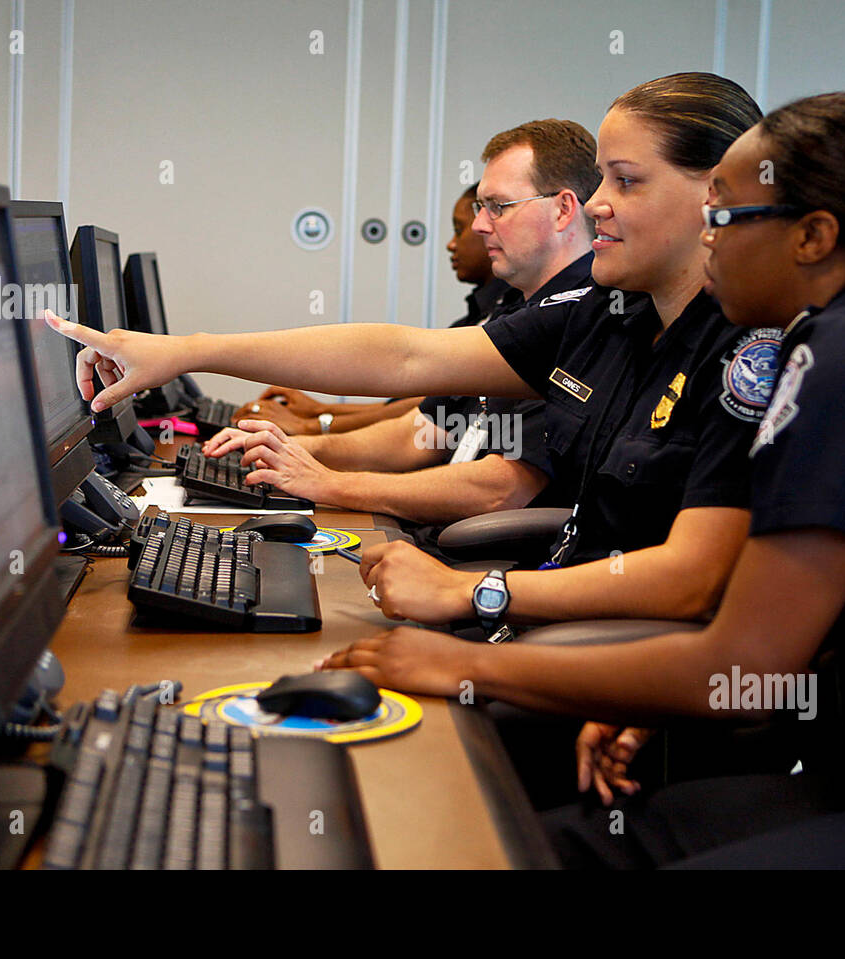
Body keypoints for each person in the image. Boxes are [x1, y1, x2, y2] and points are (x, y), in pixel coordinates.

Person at [320, 67, 845, 868]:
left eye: (727, 215)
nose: (709, 237)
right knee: (565, 843)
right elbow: (805, 629)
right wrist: (638, 694)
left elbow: (743, 661)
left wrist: (466, 662)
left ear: (813, 236)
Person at [48, 73, 774, 626]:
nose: (595, 205)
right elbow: (406, 360)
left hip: (580, 639)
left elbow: (683, 578)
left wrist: (465, 590)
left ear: (715, 194)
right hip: (540, 608)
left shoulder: (745, 351)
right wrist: (189, 350)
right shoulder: (604, 313)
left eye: (626, 181)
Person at [203, 123, 602, 529]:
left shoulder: (580, 317)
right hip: (442, 538)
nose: (481, 224)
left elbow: (502, 487)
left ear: (563, 209)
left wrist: (328, 483)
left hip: (485, 560)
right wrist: (300, 449)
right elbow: (422, 434)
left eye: (498, 206)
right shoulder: (518, 308)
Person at [231, 183, 504, 434]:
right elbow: (410, 407)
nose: (450, 244)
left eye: (458, 229)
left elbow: (418, 413)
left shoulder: (505, 321)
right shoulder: (477, 315)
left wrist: (314, 425)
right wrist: (319, 413)